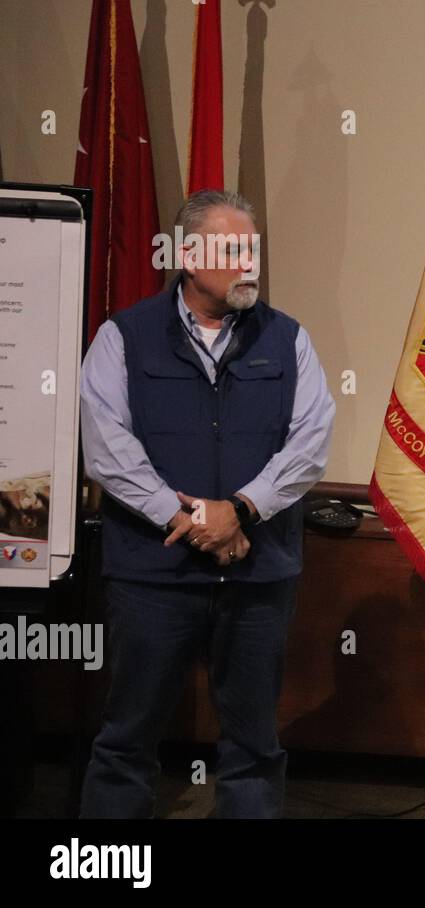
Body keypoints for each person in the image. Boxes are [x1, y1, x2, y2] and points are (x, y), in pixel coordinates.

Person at [78, 189, 335, 818]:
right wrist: (189, 519)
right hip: (152, 575)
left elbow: (311, 441)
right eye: (233, 249)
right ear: (189, 256)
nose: (249, 263)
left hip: (256, 574)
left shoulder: (288, 339)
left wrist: (239, 510)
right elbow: (107, 448)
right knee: (127, 738)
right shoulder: (125, 337)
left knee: (252, 745)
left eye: (254, 248)